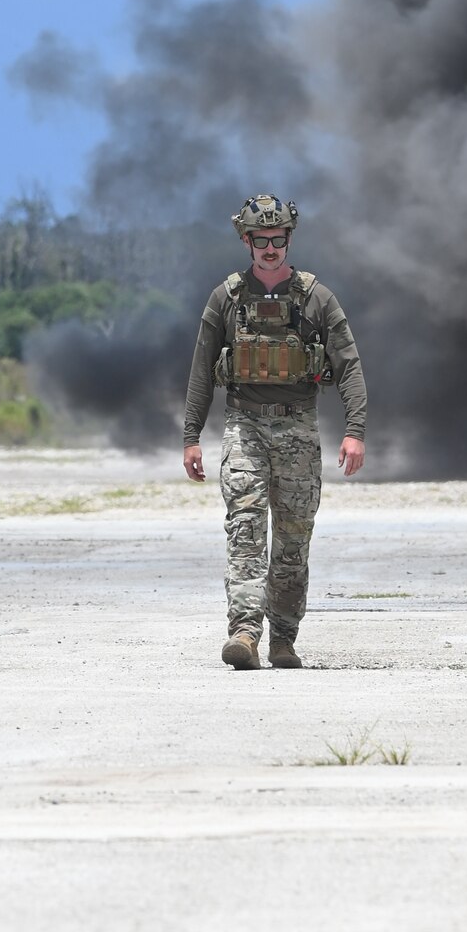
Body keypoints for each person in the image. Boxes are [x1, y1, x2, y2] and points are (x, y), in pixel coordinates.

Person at [182, 195, 367, 670]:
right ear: (246, 241)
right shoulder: (226, 297)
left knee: (292, 539)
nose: (270, 248)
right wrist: (190, 437)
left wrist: (355, 430)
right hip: (244, 425)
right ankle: (244, 632)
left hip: (299, 429)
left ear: (289, 239)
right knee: (245, 530)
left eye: (277, 239)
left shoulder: (315, 297)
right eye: (260, 240)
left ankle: (284, 637)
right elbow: (202, 371)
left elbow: (348, 365)